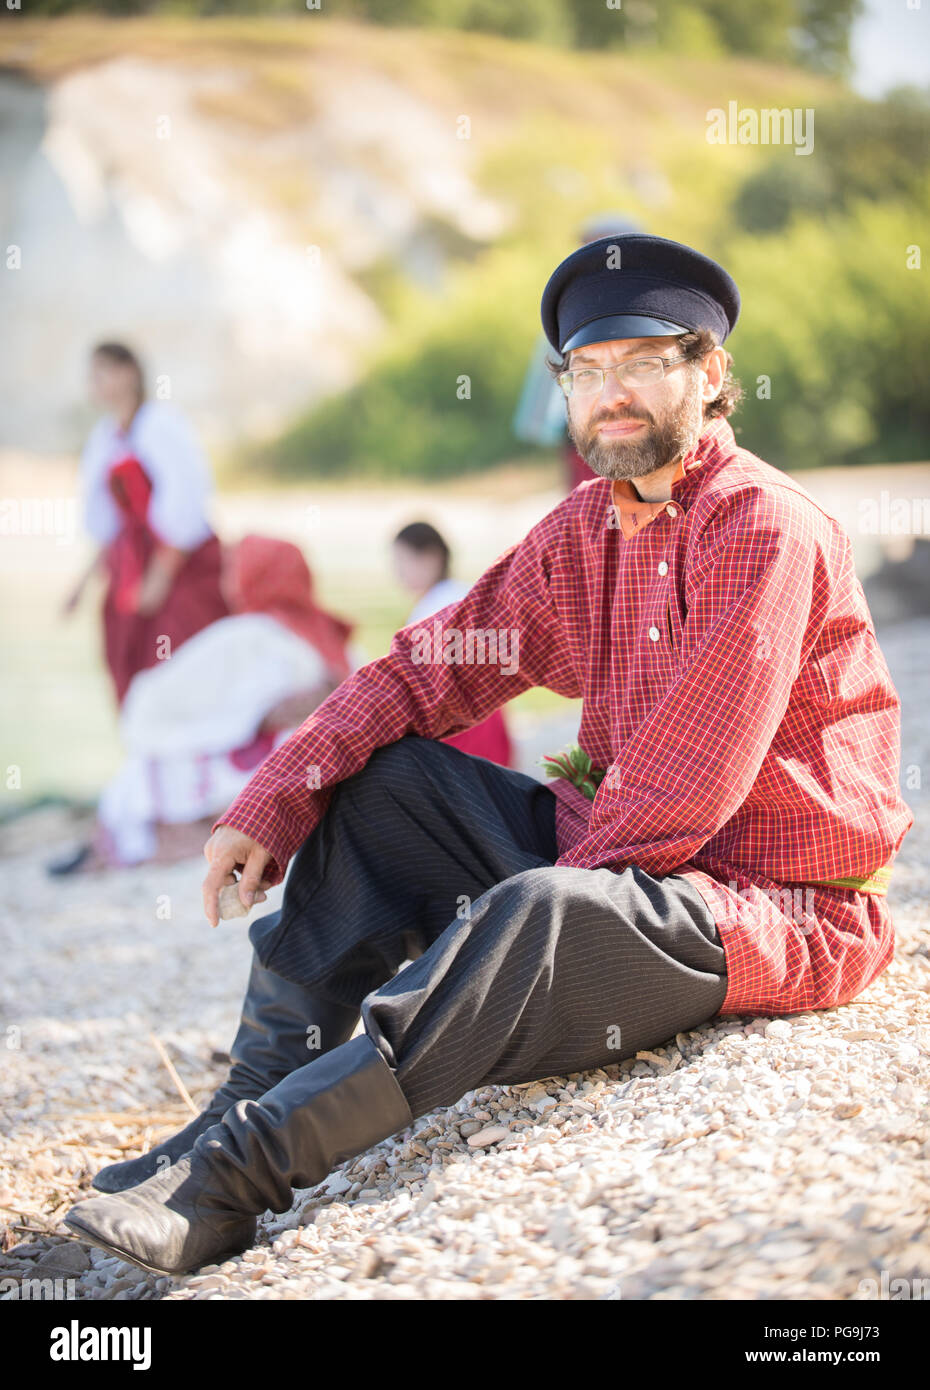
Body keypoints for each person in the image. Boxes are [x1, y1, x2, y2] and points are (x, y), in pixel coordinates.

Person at [67, 234, 914, 1277]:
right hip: (628, 867)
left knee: (549, 908)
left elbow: (681, 794)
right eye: (589, 371)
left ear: (712, 374)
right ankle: (229, 1112)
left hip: (769, 903)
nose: (614, 394)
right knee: (387, 783)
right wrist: (275, 796)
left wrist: (478, 947)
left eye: (645, 362)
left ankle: (233, 1180)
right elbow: (426, 668)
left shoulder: (764, 529)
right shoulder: (583, 533)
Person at [49, 535, 361, 873]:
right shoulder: (335, 641)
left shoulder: (246, 635)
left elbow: (148, 703)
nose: (226, 580)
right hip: (318, 777)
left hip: (266, 775)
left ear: (252, 577)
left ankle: (161, 839)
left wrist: (237, 722)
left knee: (146, 767)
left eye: (232, 569)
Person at [64, 342, 228, 706]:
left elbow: (185, 505)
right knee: (130, 666)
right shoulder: (107, 436)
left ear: (129, 374)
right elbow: (112, 522)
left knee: (179, 662)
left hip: (178, 568)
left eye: (102, 372)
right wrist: (81, 585)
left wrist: (160, 576)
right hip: (131, 570)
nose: (94, 383)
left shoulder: (161, 425)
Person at [513, 212, 642, 493]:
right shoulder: (574, 300)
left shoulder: (643, 301)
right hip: (581, 431)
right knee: (585, 502)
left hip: (630, 428)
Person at [392, 521, 513, 768]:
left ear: (431, 557)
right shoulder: (463, 594)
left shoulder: (437, 608)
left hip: (460, 728)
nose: (398, 572)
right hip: (487, 716)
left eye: (404, 561)